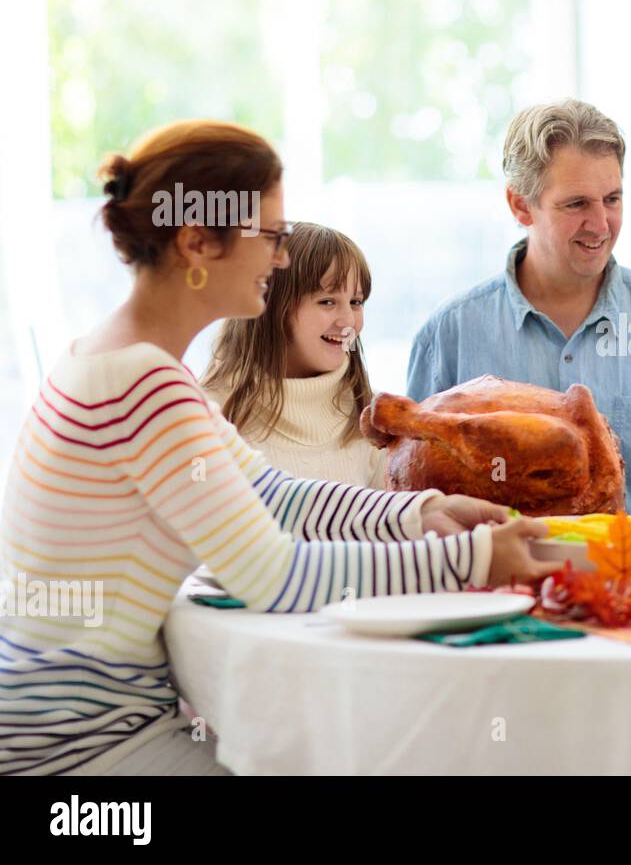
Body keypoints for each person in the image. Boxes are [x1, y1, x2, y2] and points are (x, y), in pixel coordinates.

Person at [0, 120, 556, 776]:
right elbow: (272, 577)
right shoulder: (143, 385)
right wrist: (473, 558)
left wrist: (416, 514)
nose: (281, 257)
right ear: (197, 241)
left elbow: (268, 493)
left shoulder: (118, 360)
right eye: (270, 236)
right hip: (84, 754)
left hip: (81, 731)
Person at [406, 99, 631, 516]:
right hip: (498, 578)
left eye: (612, 199)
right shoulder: (450, 335)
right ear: (521, 205)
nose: (600, 223)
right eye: (576, 204)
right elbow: (410, 492)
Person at [203, 222, 386, 488]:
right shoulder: (210, 415)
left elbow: (395, 524)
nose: (348, 321)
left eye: (356, 302)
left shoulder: (371, 416)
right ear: (271, 307)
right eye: (327, 301)